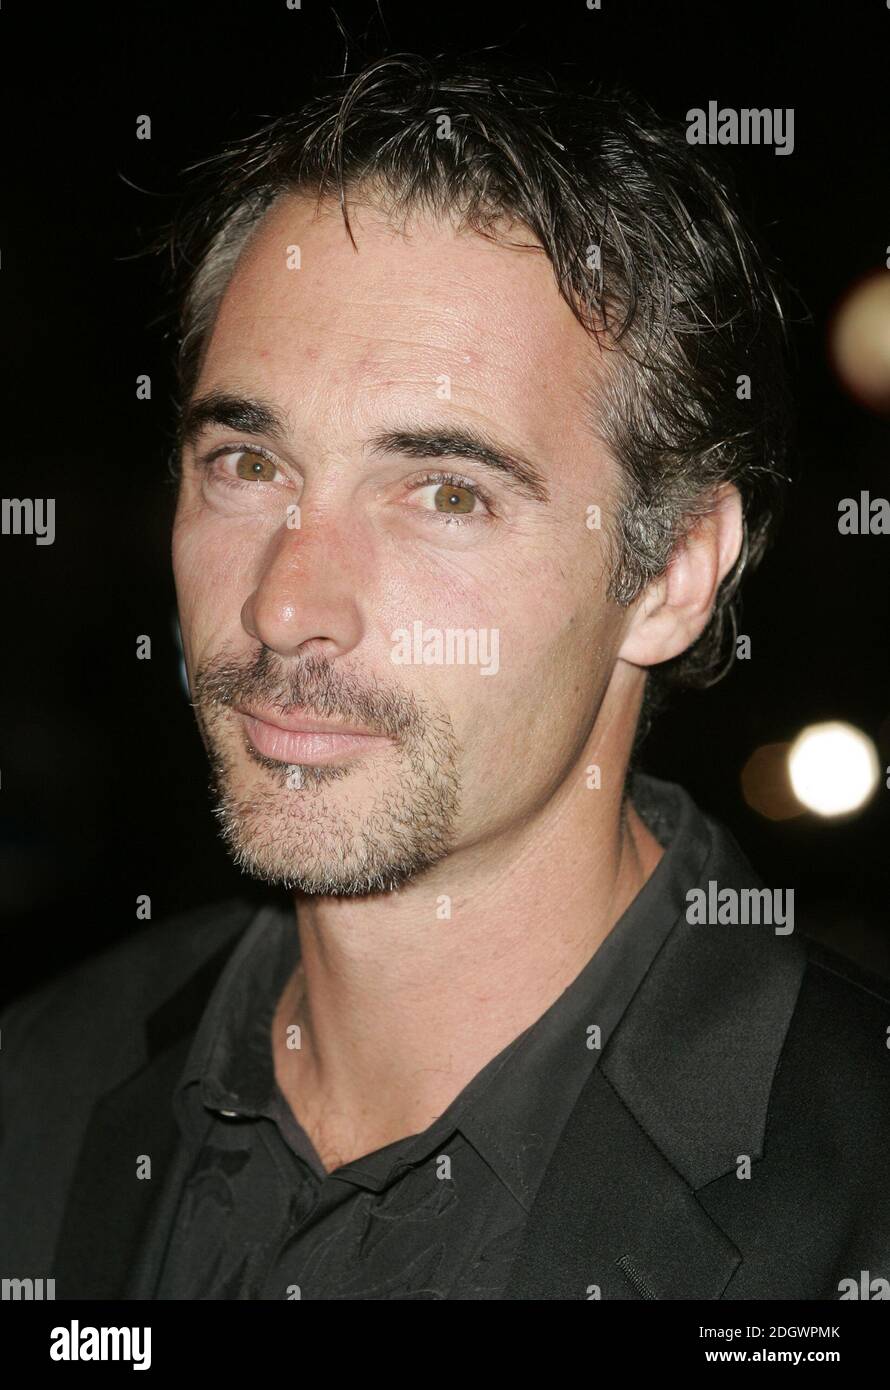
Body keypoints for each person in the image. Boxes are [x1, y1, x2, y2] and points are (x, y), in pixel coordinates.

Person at [2, 54, 888, 1302]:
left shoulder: (851, 1198)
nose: (282, 602)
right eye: (247, 463)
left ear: (674, 571)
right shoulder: (38, 1082)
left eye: (444, 492)